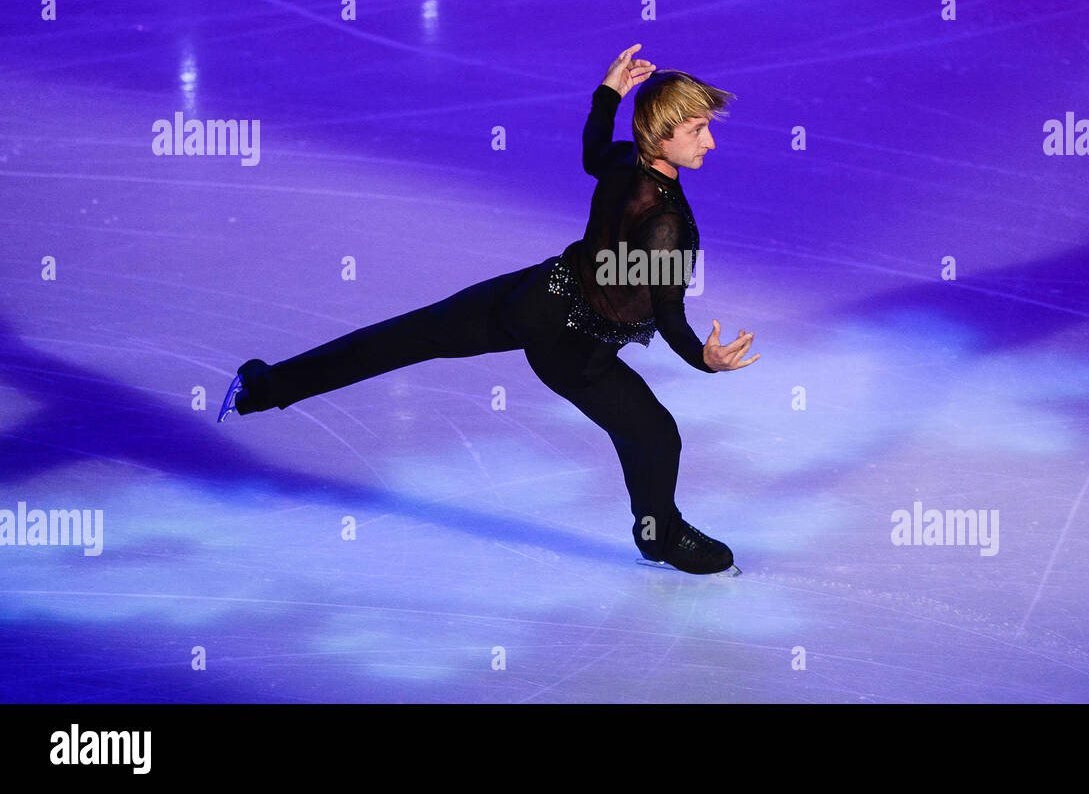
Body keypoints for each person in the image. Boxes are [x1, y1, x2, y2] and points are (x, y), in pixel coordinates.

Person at [219, 44, 759, 575]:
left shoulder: (626, 160)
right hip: (574, 348)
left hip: (537, 293)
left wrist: (609, 92)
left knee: (410, 335)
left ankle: (264, 388)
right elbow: (667, 316)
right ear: (660, 133)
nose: (710, 141)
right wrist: (704, 359)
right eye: (697, 130)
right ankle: (659, 535)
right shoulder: (665, 224)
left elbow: (595, 151)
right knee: (655, 434)